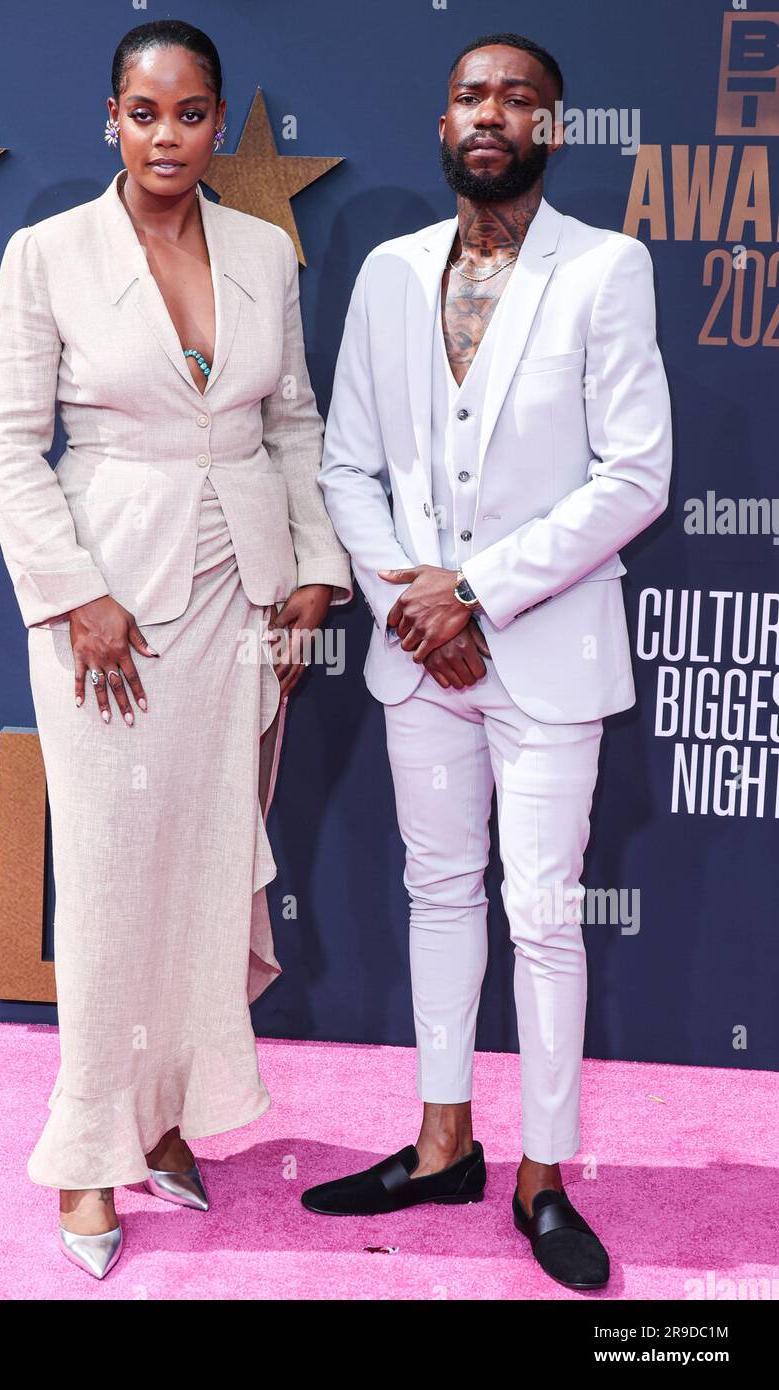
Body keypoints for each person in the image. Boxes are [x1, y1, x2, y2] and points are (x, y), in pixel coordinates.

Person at [0, 19, 351, 1280]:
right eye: (145, 112)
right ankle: (88, 1151)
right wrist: (75, 592)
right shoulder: (49, 253)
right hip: (110, 623)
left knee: (201, 871)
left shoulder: (264, 251)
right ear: (110, 118)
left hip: (241, 606)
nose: (167, 137)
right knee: (108, 875)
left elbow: (292, 424)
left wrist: (310, 567)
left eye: (191, 114)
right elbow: (9, 442)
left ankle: (166, 1117)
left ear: (218, 120)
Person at [308, 31, 671, 1291]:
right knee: (436, 891)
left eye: (518, 97)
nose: (491, 112)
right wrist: (414, 604)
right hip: (427, 657)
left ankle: (544, 1173)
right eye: (470, 93)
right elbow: (348, 466)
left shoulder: (607, 269)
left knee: (545, 914)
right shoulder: (390, 277)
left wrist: (475, 592)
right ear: (445, 116)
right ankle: (443, 1140)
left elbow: (637, 475)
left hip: (545, 650)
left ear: (554, 127)